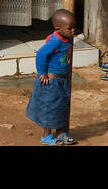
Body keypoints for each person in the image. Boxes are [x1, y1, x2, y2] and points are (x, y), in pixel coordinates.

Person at [25, 9, 80, 145]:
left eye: (74, 27)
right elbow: (41, 55)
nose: (74, 30)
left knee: (61, 106)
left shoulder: (67, 38)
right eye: (70, 28)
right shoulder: (55, 41)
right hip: (51, 82)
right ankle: (46, 136)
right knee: (49, 108)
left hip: (62, 80)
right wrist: (42, 72)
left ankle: (61, 133)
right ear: (58, 29)